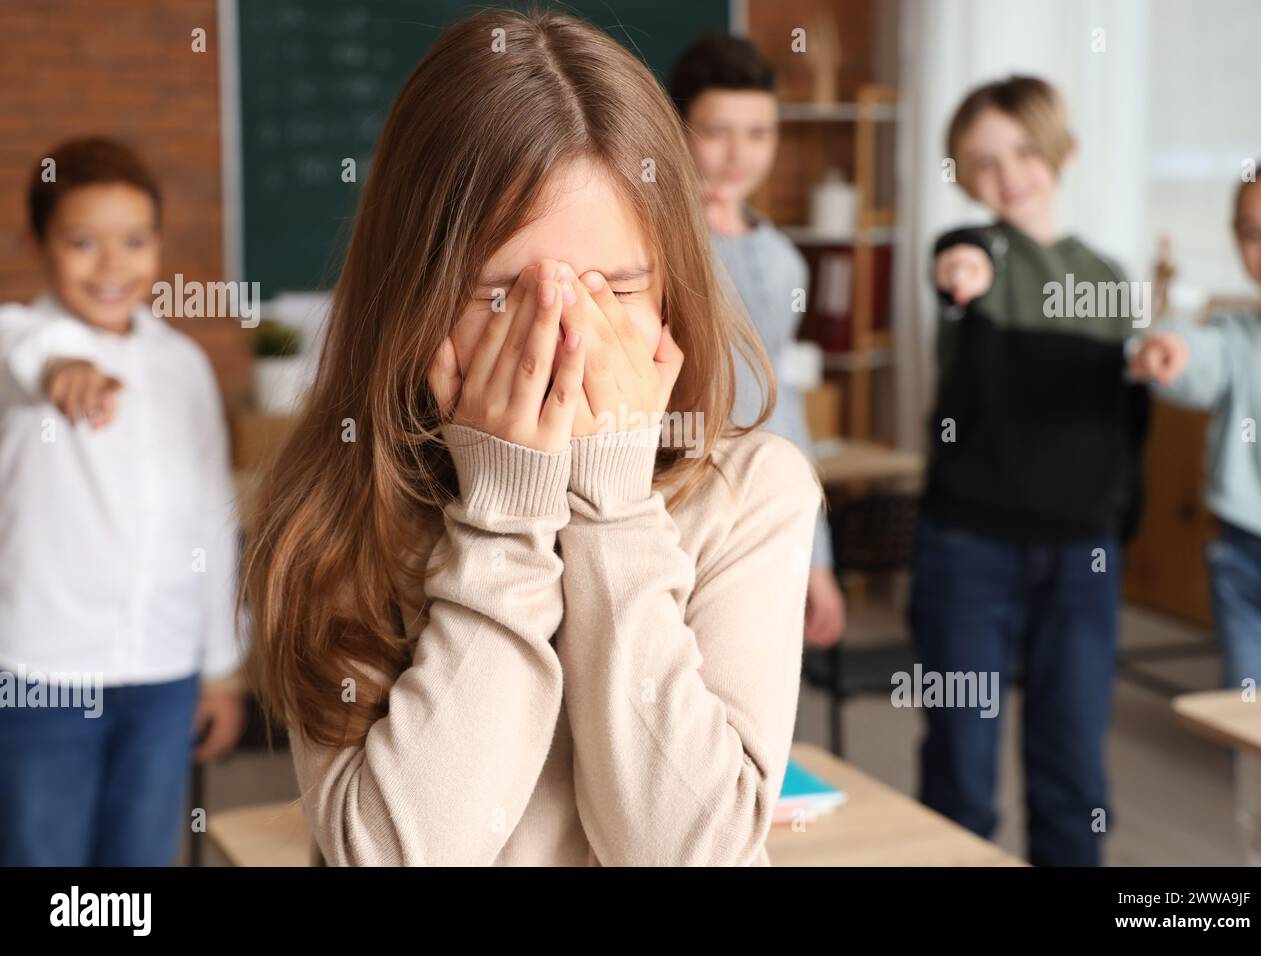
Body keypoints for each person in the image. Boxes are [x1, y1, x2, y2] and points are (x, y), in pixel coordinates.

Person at [241, 10, 823, 866]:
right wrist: (506, 514)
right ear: (417, 297)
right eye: (506, 295)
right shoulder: (343, 501)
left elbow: (689, 853)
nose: (567, 341)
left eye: (615, 291)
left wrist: (611, 507)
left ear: (671, 294)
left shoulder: (753, 496)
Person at [911, 76, 1150, 866]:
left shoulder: (1108, 279)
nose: (1007, 174)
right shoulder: (977, 256)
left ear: (1062, 153)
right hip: (968, 551)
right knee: (961, 768)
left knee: (1073, 768)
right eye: (982, 163)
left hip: (1080, 558)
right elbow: (958, 261)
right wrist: (963, 271)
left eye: (1022, 151)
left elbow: (1126, 426)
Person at [0, 137, 244, 866]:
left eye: (134, 241)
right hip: (43, 673)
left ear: (157, 245)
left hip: (164, 674)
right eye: (83, 242)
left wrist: (223, 667)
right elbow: (28, 360)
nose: (112, 265)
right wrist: (65, 370)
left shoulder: (182, 365)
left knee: (137, 869)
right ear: (37, 242)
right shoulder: (19, 337)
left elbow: (213, 516)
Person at [1129, 159, 1261, 862]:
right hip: (1243, 566)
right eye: (1254, 235)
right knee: (1256, 752)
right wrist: (1165, 341)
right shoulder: (1238, 337)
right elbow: (1192, 361)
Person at [669, 31, 845, 647]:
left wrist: (817, 555)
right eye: (717, 131)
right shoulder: (653, 244)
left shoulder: (786, 260)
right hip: (674, 505)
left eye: (759, 133)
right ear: (678, 128)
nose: (737, 154)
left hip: (763, 508)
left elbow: (785, 405)